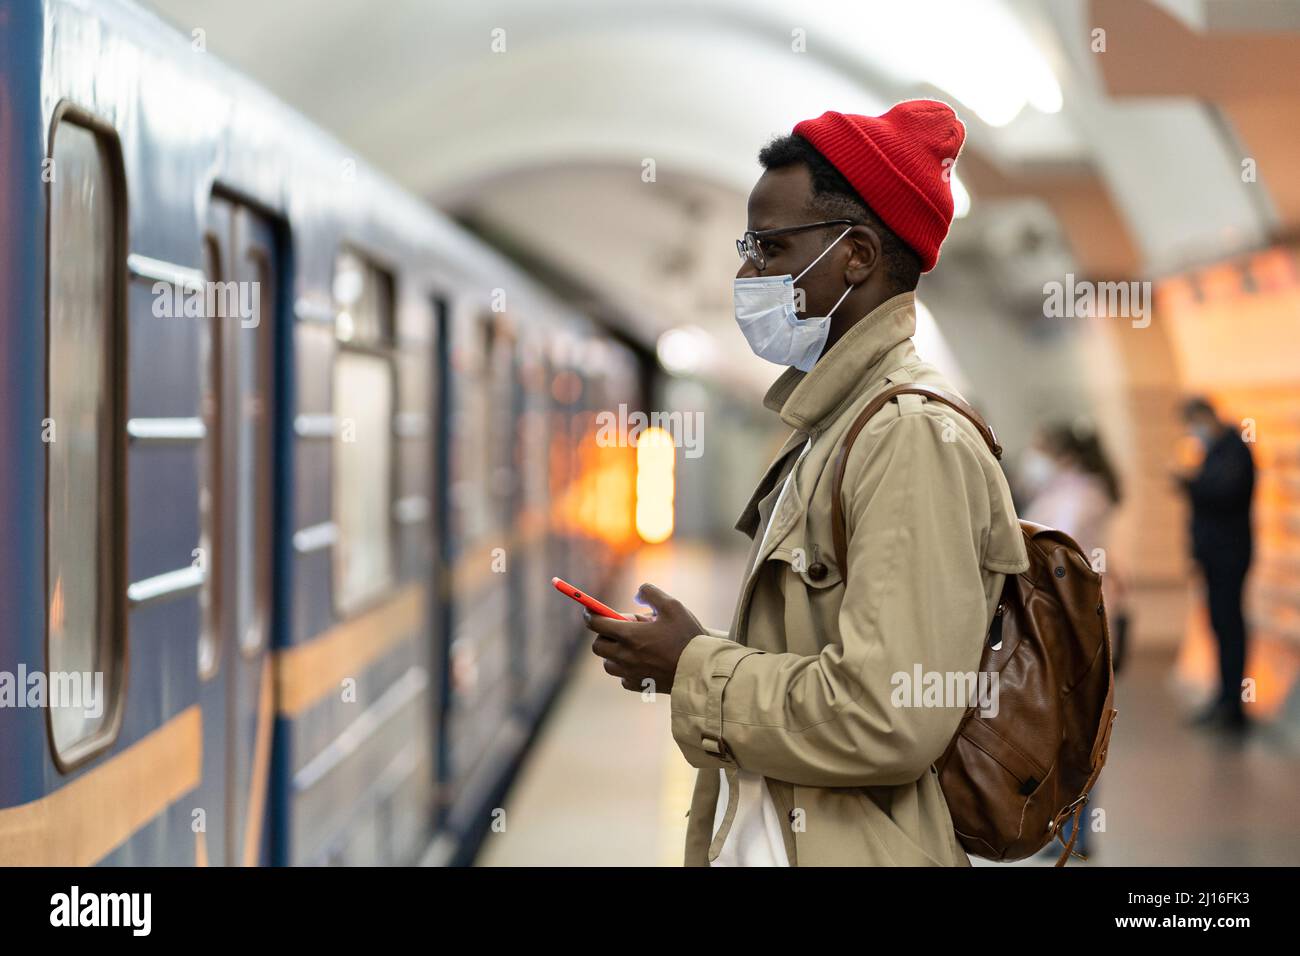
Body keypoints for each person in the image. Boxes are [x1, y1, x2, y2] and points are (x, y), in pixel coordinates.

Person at [585, 102, 1027, 866]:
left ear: (855, 255)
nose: (746, 274)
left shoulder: (908, 434)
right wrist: (696, 652)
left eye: (769, 247)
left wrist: (693, 665)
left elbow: (889, 714)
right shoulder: (835, 424)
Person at [1018, 420, 1125, 858]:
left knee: (1076, 728)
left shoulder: (1078, 497)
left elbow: (1056, 549)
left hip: (1076, 623)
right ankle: (1064, 825)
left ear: (1062, 456)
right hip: (1067, 620)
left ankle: (1074, 829)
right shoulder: (1069, 492)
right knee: (1065, 726)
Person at [1174, 397, 1255, 734]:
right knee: (1219, 626)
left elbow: (1225, 493)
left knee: (1229, 626)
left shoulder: (1235, 449)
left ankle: (1233, 705)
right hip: (1215, 554)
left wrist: (1189, 483)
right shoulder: (1218, 451)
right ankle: (1223, 698)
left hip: (1229, 554)